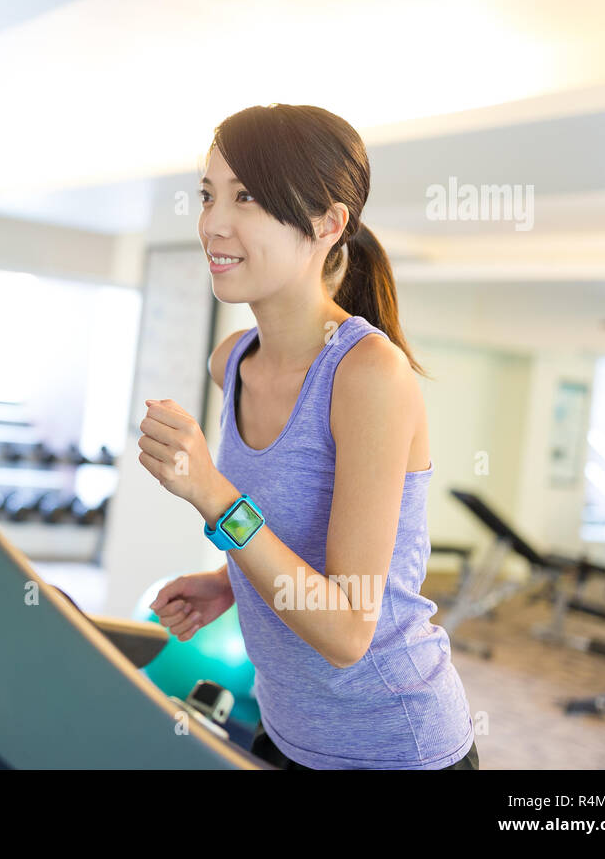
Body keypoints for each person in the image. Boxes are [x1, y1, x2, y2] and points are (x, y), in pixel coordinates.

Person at [137, 104, 478, 770]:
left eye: (249, 198)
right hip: (290, 731)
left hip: (393, 747)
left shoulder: (369, 375)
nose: (214, 223)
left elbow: (350, 630)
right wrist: (228, 582)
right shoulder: (232, 361)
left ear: (328, 223)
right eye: (208, 196)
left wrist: (212, 495)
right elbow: (300, 538)